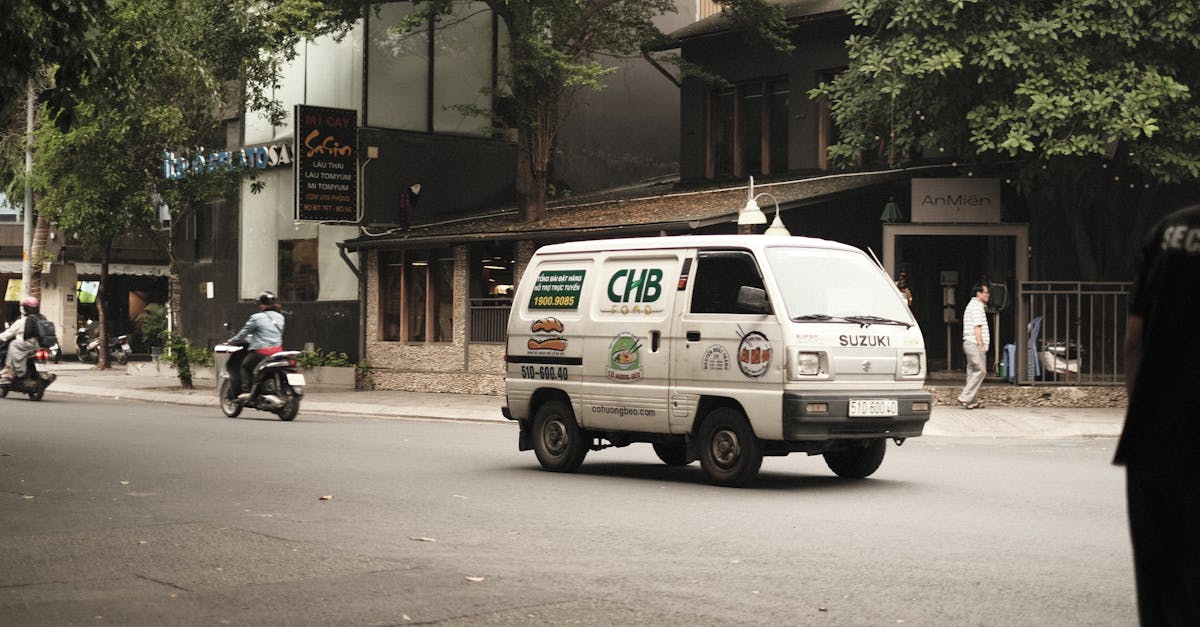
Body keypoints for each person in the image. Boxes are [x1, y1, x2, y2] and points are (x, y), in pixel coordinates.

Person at [1115, 204, 1200, 625]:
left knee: (1159, 588)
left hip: (1153, 440)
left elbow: (1134, 341)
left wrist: (1145, 414)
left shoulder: (1170, 229)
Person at [227, 291, 285, 399]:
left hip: (262, 351)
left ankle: (246, 391)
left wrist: (232, 341)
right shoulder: (280, 317)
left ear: (261, 305)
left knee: (245, 366)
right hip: (277, 352)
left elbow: (243, 333)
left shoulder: (256, 317)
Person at [957, 282, 989, 409]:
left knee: (972, 371)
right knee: (981, 370)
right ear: (979, 294)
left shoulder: (973, 305)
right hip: (974, 343)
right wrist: (980, 342)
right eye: (986, 292)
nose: (988, 295)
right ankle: (965, 396)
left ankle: (971, 401)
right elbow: (977, 326)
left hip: (969, 343)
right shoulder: (976, 306)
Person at [0, 296, 42, 383]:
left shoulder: (21, 321)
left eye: (22, 306)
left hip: (25, 345)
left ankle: (8, 373)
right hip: (38, 345)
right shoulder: (40, 318)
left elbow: (6, 335)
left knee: (12, 346)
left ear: (25, 308)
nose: (20, 308)